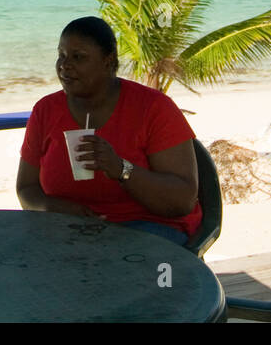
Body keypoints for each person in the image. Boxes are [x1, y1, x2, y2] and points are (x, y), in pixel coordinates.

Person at [16, 16, 200, 246]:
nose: (64, 65)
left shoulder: (153, 108)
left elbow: (183, 200)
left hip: (149, 226)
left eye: (78, 57)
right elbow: (26, 188)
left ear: (108, 60)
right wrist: (52, 207)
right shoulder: (46, 110)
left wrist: (120, 169)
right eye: (61, 55)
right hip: (71, 229)